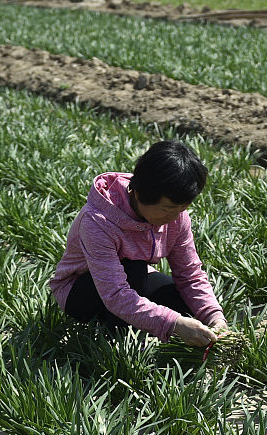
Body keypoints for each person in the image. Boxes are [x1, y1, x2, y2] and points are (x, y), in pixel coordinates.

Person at [50, 140, 228, 347]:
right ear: (139, 193)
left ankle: (139, 325)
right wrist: (175, 324)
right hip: (80, 291)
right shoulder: (97, 222)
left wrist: (214, 317)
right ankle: (116, 342)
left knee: (183, 304)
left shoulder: (177, 216)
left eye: (181, 208)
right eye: (167, 209)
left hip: (135, 277)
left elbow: (189, 274)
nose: (174, 217)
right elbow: (115, 294)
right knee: (133, 272)